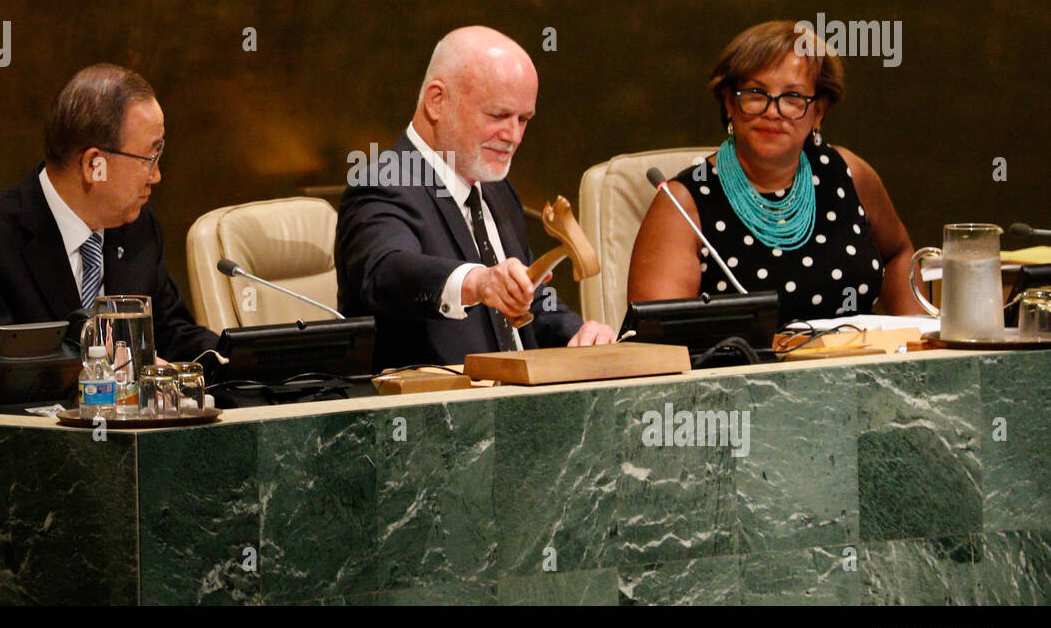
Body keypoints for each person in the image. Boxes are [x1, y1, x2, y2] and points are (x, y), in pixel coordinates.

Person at [336, 26, 616, 370]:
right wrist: (477, 281)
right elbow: (386, 273)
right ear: (437, 101)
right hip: (428, 414)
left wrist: (577, 333)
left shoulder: (496, 188)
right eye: (498, 115)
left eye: (523, 119)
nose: (512, 136)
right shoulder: (382, 182)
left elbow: (523, 294)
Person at [0, 64, 218, 397]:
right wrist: (111, 372)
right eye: (148, 158)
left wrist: (230, 358)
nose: (156, 176)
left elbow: (173, 334)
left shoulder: (139, 231)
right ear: (93, 165)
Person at [627, 20, 917, 323]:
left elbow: (897, 254)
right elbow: (659, 341)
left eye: (793, 98)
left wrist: (920, 345)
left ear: (818, 111)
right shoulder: (684, 205)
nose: (772, 111)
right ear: (729, 102)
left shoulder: (847, 173)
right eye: (756, 93)